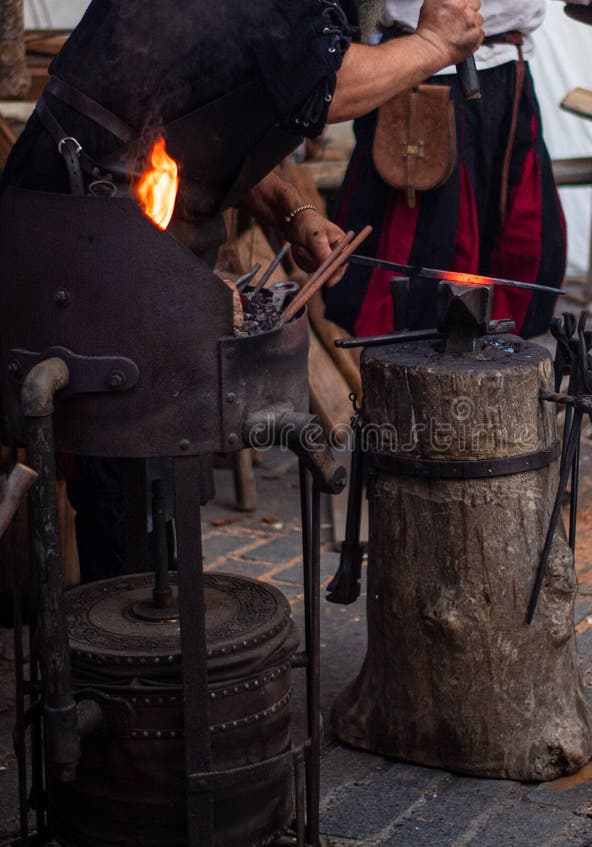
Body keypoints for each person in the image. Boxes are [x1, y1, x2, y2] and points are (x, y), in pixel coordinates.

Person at [0, 0, 484, 581]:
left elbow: (202, 105)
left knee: (143, 456)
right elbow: (322, 86)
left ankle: (148, 603)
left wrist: (285, 205)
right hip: (79, 218)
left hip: (127, 226)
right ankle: (124, 635)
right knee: (115, 451)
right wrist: (435, 46)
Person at [323, 0, 566, 339]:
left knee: (516, 256)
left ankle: (492, 381)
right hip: (418, 73)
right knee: (419, 286)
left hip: (511, 69)